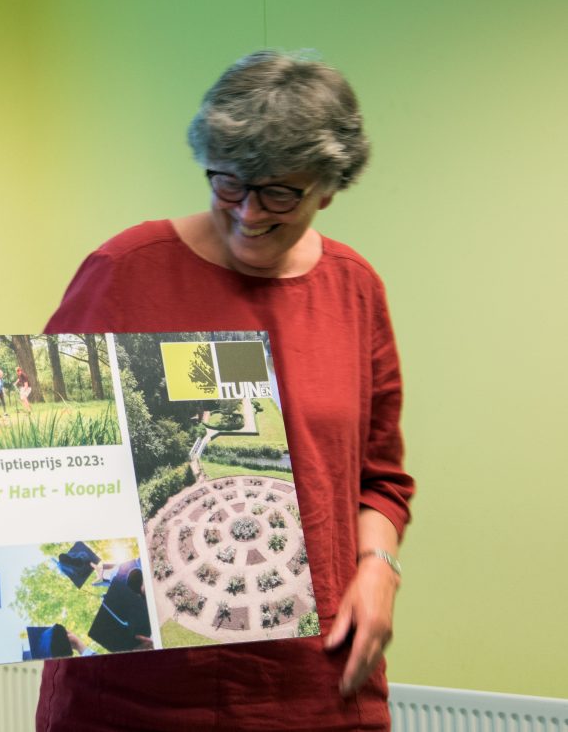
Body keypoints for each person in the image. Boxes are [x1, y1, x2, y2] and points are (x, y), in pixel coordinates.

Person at [37, 51, 415, 731]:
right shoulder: (125, 271)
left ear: (330, 187)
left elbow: (381, 477)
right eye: (228, 183)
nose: (247, 212)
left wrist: (379, 567)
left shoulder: (356, 289)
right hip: (131, 694)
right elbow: (46, 451)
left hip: (314, 686)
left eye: (279, 193)